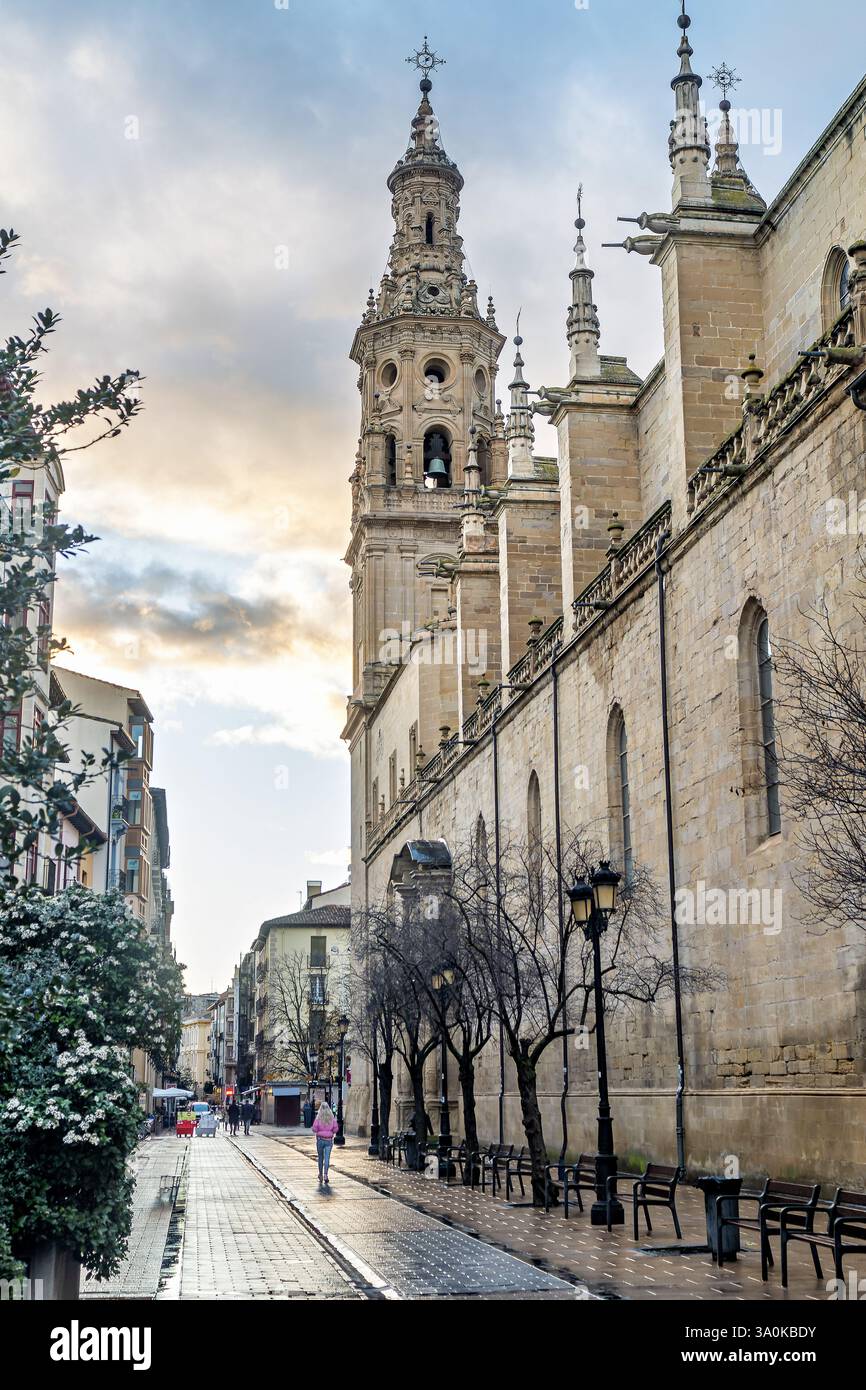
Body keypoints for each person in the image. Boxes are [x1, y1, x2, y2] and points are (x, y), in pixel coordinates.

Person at [312, 1100, 339, 1186]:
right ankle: (326, 1175)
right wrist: (330, 1131)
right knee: (327, 1158)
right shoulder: (332, 1118)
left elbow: (314, 1129)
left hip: (320, 1140)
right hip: (329, 1140)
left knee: (320, 1158)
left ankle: (320, 1174)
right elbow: (335, 1129)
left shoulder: (318, 1118)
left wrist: (320, 1130)